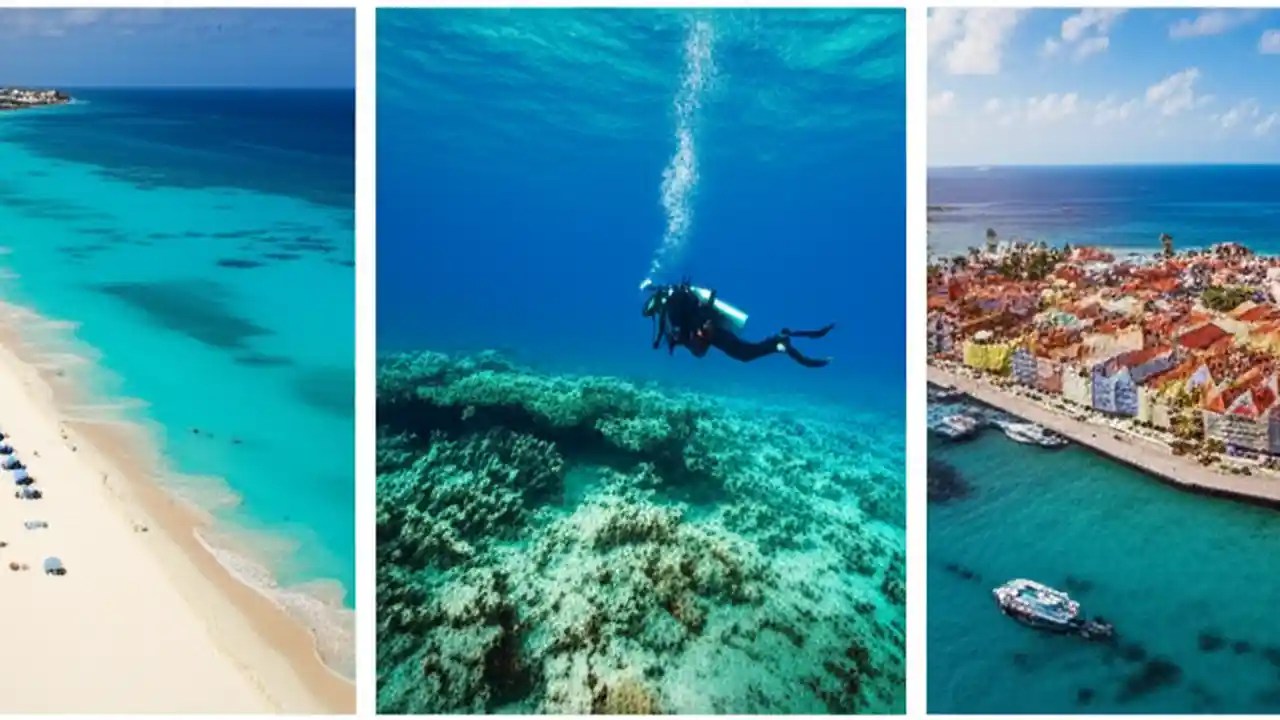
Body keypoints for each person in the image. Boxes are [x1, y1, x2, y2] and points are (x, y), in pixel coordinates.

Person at [642, 279, 834, 368]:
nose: (656, 313)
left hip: (710, 331)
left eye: (653, 310)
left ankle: (779, 342)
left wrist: (673, 337)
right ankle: (779, 343)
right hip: (708, 332)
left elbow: (678, 328)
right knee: (744, 354)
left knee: (744, 354)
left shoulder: (672, 303)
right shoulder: (672, 302)